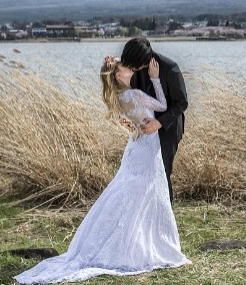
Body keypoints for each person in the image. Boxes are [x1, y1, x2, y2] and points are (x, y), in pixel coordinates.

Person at [14, 56, 190, 283]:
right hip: (145, 150)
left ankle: (140, 242)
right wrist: (155, 79)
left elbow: (136, 124)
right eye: (125, 68)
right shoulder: (134, 94)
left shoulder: (120, 97)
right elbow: (163, 107)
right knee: (146, 194)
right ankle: (145, 245)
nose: (131, 70)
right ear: (118, 75)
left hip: (136, 148)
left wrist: (132, 124)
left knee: (134, 194)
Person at [120, 37, 188, 203]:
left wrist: (158, 123)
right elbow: (132, 99)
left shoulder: (170, 68)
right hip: (143, 132)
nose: (130, 69)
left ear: (141, 61)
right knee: (142, 174)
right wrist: (125, 119)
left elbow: (182, 103)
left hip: (168, 130)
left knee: (162, 173)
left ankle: (165, 217)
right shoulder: (132, 67)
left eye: (132, 66)